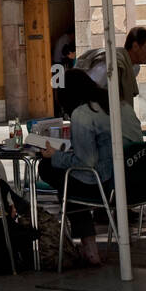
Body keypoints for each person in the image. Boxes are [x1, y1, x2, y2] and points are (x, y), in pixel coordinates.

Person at [37, 69, 119, 266]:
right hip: (117, 178)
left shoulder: (82, 114)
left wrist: (55, 156)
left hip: (99, 181)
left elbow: (85, 162)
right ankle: (87, 244)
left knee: (52, 172)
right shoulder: (108, 106)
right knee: (66, 183)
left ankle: (88, 245)